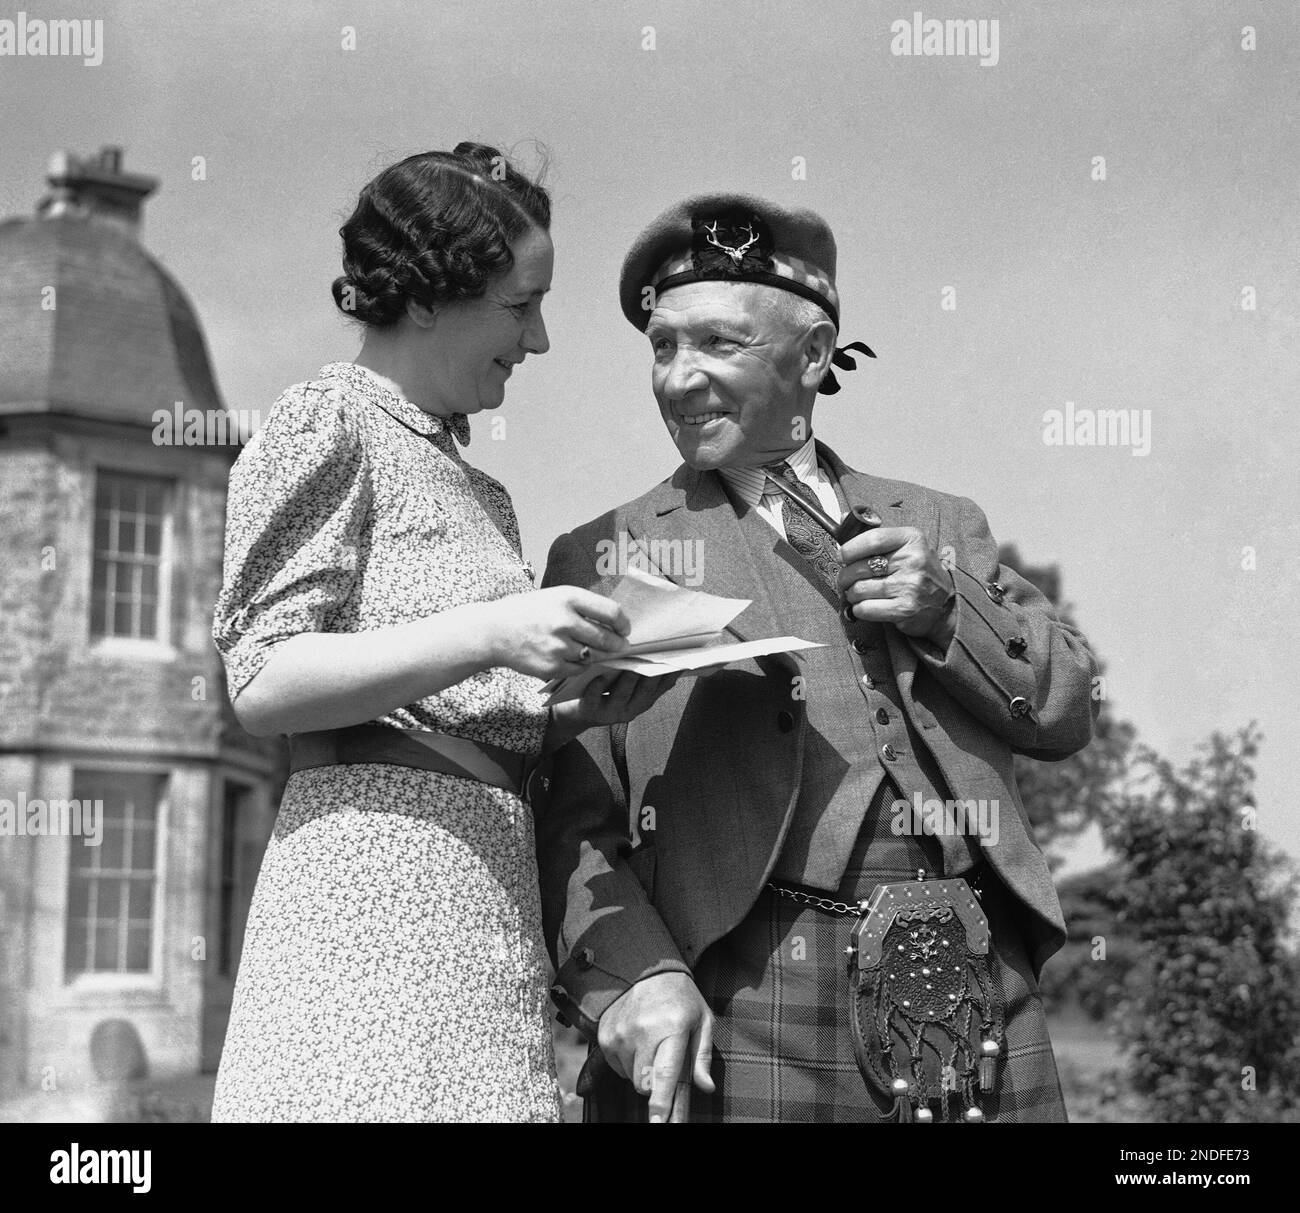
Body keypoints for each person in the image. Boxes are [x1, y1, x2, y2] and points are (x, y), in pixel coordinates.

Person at [534, 194, 1100, 1123]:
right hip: (746, 1004)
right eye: (662, 346)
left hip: (976, 984)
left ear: (811, 355)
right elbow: (568, 825)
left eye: (717, 343)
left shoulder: (943, 523)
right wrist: (633, 977)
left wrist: (945, 606)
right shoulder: (605, 554)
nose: (678, 379)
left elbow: (1066, 705)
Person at [209, 143, 672, 1122]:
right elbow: (261, 677)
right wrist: (493, 631)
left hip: (483, 916)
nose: (539, 339)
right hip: (373, 917)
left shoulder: (478, 487)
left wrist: (563, 711)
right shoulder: (324, 421)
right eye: (520, 304)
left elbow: (444, 712)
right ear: (426, 297)